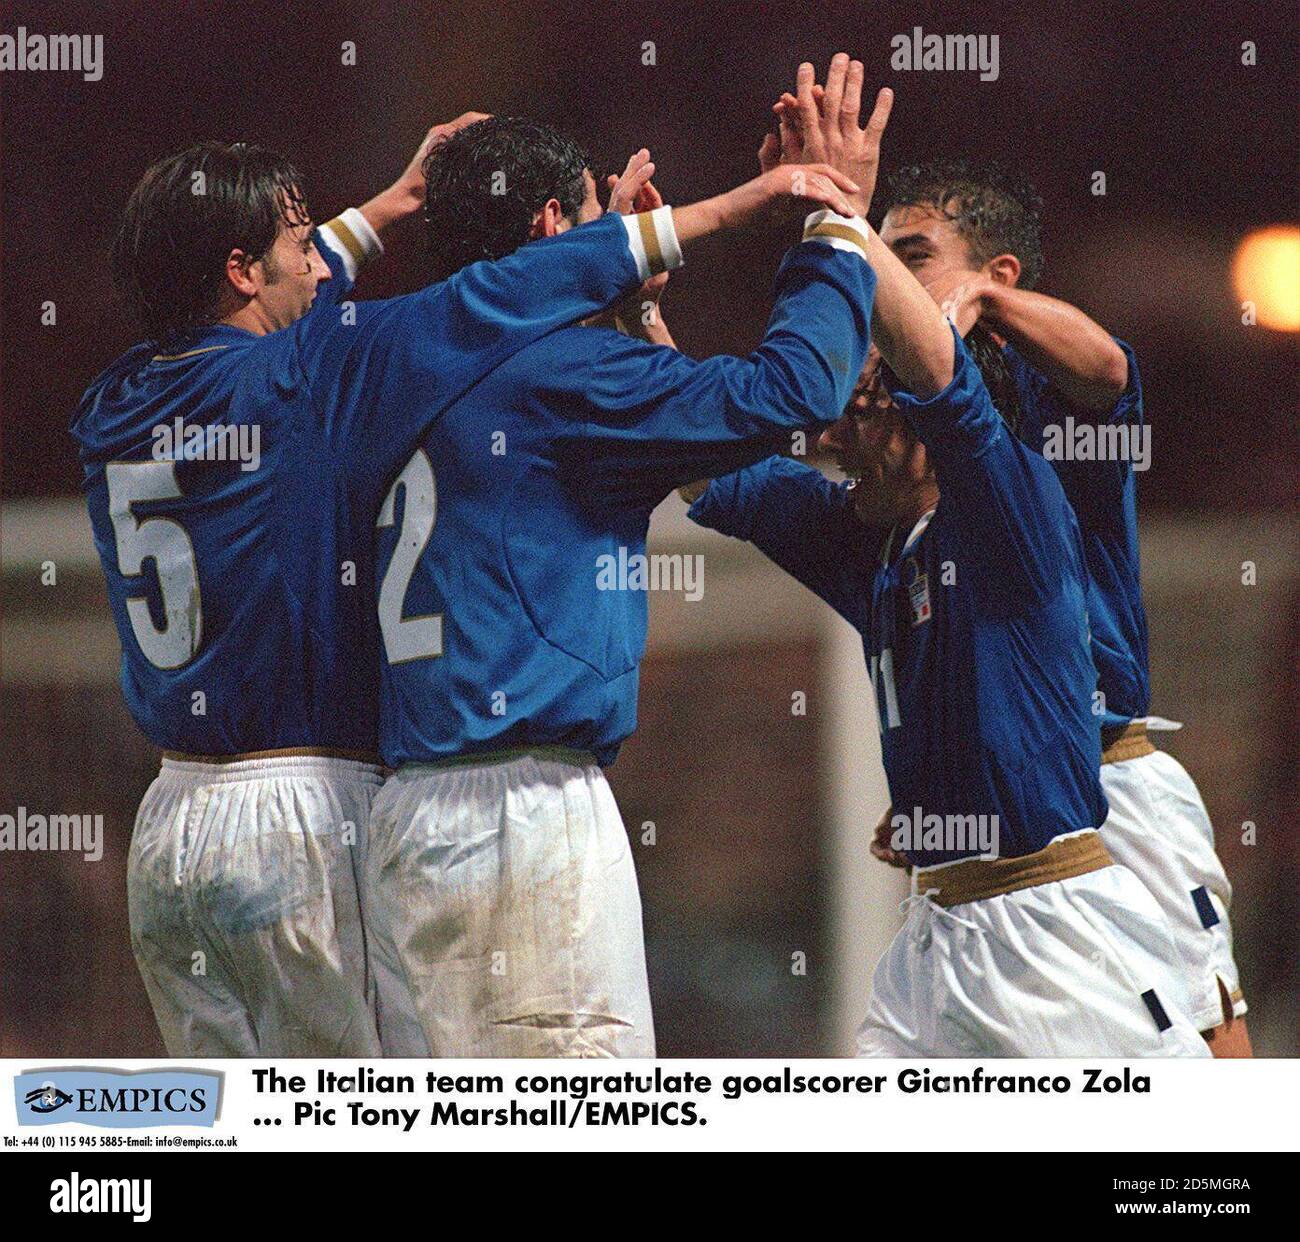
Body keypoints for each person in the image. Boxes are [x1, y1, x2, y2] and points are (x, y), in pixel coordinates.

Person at [72, 115, 811, 1056]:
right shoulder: (310, 369)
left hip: (169, 830)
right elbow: (493, 297)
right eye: (301, 248)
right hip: (302, 814)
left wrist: (388, 204)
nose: (320, 265)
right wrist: (745, 206)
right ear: (241, 272)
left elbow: (255, 303)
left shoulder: (112, 402)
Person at [685, 55, 1209, 1056]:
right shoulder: (871, 536)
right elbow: (693, 452)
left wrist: (835, 212)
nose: (844, 400)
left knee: (1215, 1076)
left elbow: (1097, 369)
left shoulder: (1031, 462)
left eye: (910, 256)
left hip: (1089, 834)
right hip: (947, 912)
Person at [363, 98, 885, 1057]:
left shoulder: (387, 353)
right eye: (599, 224)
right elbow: (791, 393)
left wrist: (634, 303)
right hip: (522, 825)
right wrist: (834, 222)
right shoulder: (569, 376)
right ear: (554, 230)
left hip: (400, 824)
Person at [865, 156, 1249, 1054]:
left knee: (1209, 1049)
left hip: (1113, 780)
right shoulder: (920, 430)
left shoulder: (1052, 399)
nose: (888, 277)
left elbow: (1110, 365)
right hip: (1021, 813)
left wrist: (982, 312)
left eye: (915, 254)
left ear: (998, 274)